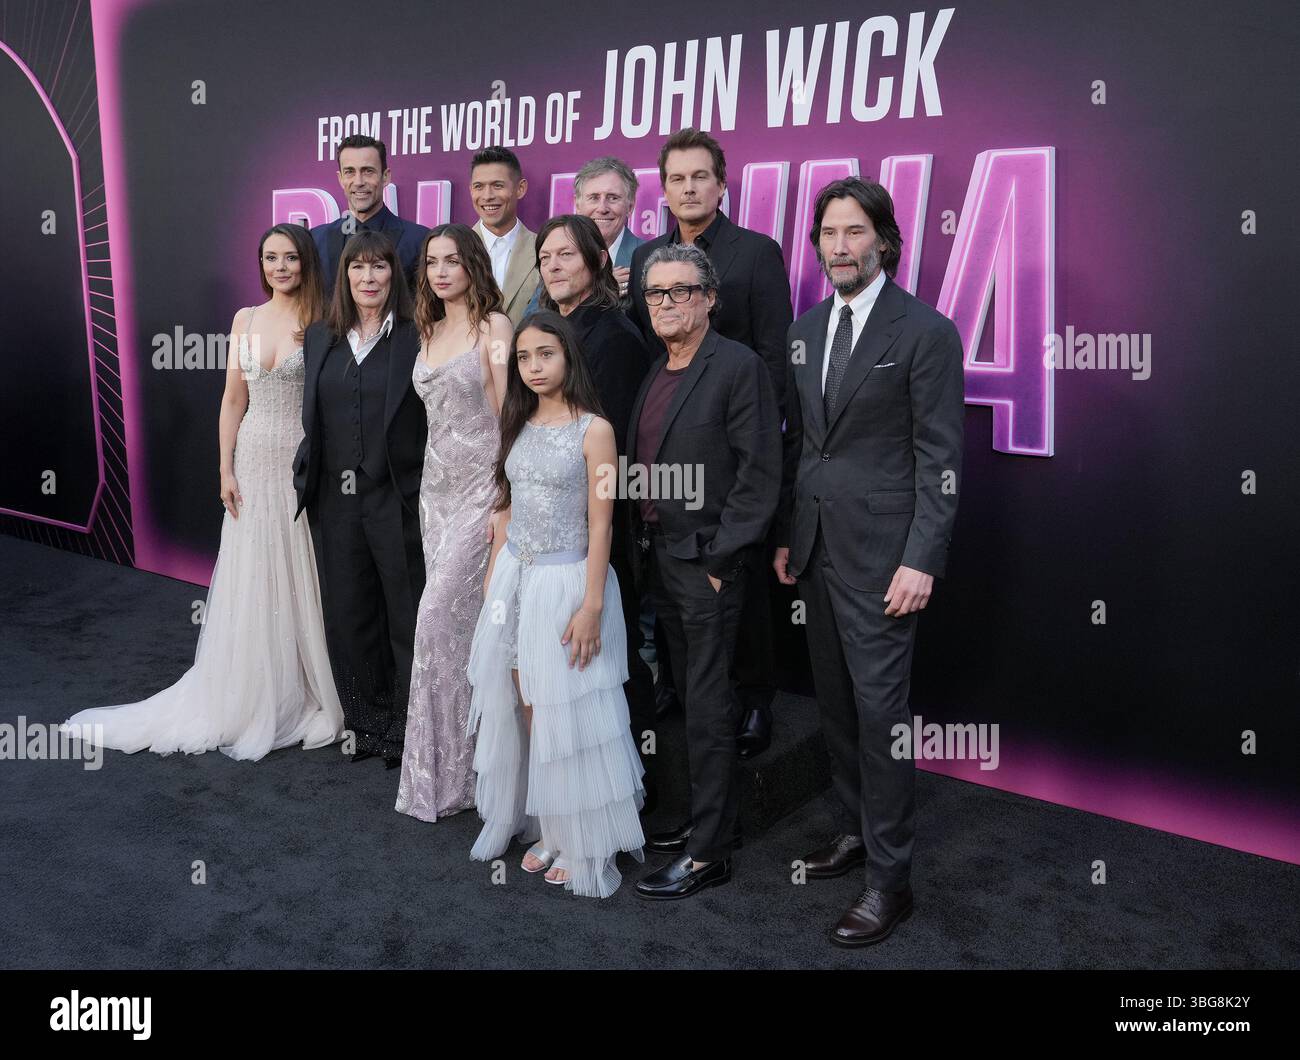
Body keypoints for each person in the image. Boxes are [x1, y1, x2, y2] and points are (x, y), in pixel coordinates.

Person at [63, 225, 344, 760]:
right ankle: (250, 688)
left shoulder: (324, 322)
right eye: (270, 258)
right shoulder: (245, 319)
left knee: (299, 568)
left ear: (307, 261)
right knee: (251, 568)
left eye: (290, 257)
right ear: (260, 264)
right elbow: (233, 399)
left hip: (302, 462)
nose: (280, 267)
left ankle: (301, 686)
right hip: (251, 458)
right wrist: (224, 469)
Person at [773, 177, 965, 947]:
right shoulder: (806, 328)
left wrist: (923, 558)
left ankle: (891, 881)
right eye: (828, 233)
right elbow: (804, 445)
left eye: (855, 232)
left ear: (884, 240)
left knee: (882, 717)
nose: (840, 246)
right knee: (837, 706)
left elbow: (940, 459)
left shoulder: (925, 331)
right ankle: (853, 829)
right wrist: (789, 534)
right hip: (817, 550)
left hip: (887, 561)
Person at [466, 310, 646, 899]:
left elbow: (603, 525)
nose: (534, 367)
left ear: (569, 355)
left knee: (566, 713)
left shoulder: (595, 430)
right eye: (523, 357)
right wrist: (494, 584)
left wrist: (592, 604)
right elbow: (507, 507)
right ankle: (548, 823)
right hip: (515, 580)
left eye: (545, 354)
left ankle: (580, 837)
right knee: (528, 708)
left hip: (567, 583)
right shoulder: (517, 421)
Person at [627, 128, 794, 759]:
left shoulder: (756, 253)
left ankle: (753, 701)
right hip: (670, 449)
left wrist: (759, 437)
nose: (689, 188)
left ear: (721, 185)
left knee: (737, 586)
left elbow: (775, 354)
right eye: (677, 178)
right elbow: (649, 352)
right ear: (664, 189)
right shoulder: (649, 257)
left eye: (701, 176)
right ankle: (677, 686)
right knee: (673, 595)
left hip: (734, 446)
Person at [627, 244, 780, 901]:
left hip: (706, 565)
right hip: (661, 558)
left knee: (711, 704)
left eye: (680, 291)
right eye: (654, 293)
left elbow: (760, 472)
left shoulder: (738, 366)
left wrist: (721, 559)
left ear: (710, 298)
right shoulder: (657, 368)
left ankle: (709, 854)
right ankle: (708, 822)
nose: (665, 303)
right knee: (691, 702)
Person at [535, 213, 657, 808]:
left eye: (566, 254)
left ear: (599, 261)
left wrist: (591, 531)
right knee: (563, 660)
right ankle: (573, 791)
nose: (553, 265)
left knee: (609, 655)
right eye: (545, 257)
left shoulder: (615, 337)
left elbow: (613, 449)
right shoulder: (549, 330)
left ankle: (626, 792)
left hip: (596, 527)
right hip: (547, 524)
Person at [294, 230, 427, 768]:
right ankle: (365, 723)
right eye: (358, 267)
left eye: (379, 267)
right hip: (334, 499)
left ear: (395, 274)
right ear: (344, 275)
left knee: (404, 613)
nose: (368, 278)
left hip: (395, 496)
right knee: (348, 613)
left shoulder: (417, 336)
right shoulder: (320, 337)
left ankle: (406, 727)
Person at [395, 224, 512, 821]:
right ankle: (451, 775)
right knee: (458, 628)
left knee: (436, 618)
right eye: (432, 262)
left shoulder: (495, 328)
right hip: (435, 494)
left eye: (452, 261)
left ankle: (471, 769)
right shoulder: (429, 329)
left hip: (482, 490)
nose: (441, 272)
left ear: (473, 265)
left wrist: (506, 498)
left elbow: (510, 414)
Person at [312, 134, 429, 290]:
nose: (359, 182)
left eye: (368, 171)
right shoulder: (315, 240)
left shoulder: (419, 240)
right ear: (340, 179)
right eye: (350, 172)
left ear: (385, 177)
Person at [468, 146, 540, 325]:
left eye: (497, 186)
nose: (487, 196)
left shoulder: (543, 249)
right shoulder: (455, 250)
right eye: (479, 187)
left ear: (520, 188)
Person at [572, 156, 645, 299]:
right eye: (594, 197)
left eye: (613, 198)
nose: (602, 208)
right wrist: (600, 289)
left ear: (630, 206)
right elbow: (538, 311)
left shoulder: (650, 257)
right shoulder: (560, 257)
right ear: (578, 205)